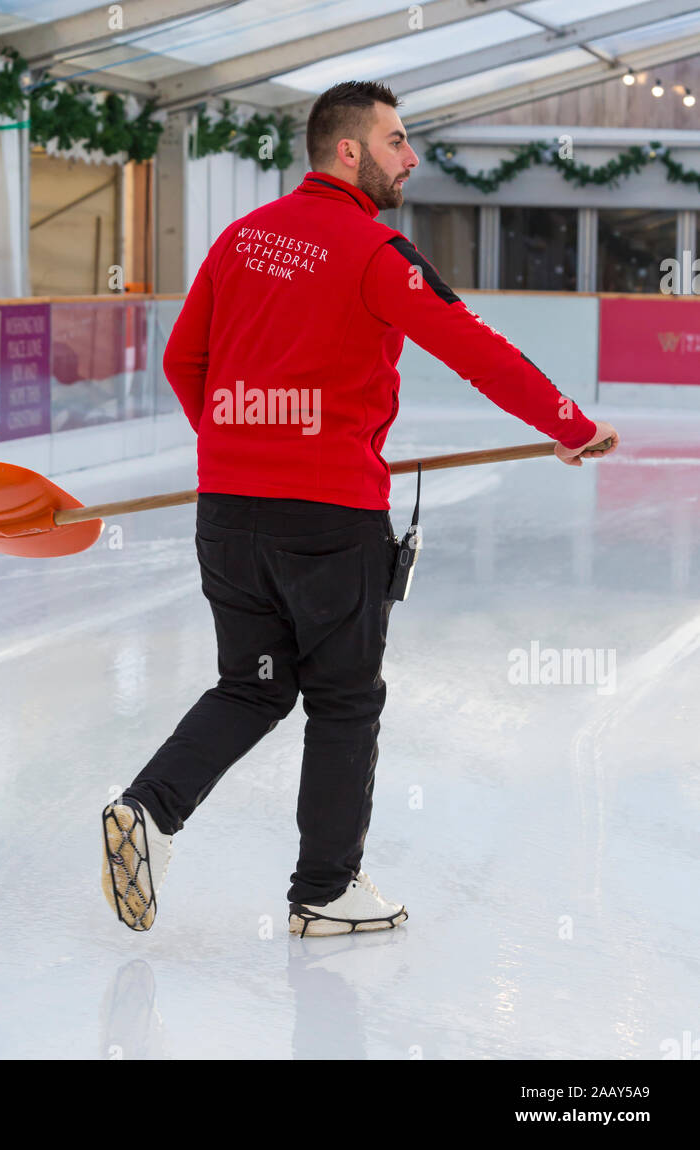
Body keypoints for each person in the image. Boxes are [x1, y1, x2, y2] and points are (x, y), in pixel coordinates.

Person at [101, 80, 620, 938]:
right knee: (343, 699)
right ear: (350, 151)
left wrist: (242, 448)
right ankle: (325, 889)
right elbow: (476, 350)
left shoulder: (239, 240)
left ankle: (149, 812)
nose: (410, 157)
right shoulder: (377, 251)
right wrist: (569, 425)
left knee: (253, 683)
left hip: (229, 511)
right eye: (397, 141)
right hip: (326, 522)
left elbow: (183, 361)